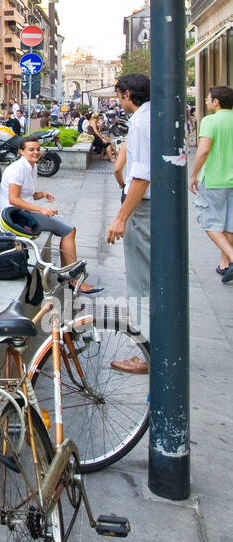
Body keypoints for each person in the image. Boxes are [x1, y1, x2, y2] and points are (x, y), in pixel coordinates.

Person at [0, 137, 102, 294]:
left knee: (66, 227)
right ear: (21, 151)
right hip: (17, 216)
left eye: (37, 149)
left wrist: (42, 194)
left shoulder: (30, 166)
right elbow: (13, 200)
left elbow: (27, 194)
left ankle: (67, 274)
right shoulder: (17, 169)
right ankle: (73, 280)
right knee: (68, 230)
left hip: (25, 211)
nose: (36, 152)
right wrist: (40, 210)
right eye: (31, 149)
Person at [106, 74, 151, 373]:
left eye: (119, 95)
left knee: (141, 281)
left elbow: (141, 174)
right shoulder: (153, 116)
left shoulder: (139, 122)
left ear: (127, 94)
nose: (118, 101)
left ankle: (147, 352)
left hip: (145, 207)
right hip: (151, 205)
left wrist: (122, 216)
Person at [190, 85, 233, 282]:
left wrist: (194, 173)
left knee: (209, 222)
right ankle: (225, 264)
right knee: (229, 225)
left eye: (208, 98)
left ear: (216, 101)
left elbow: (204, 150)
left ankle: (232, 259)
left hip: (215, 179)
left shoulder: (210, 121)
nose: (207, 101)